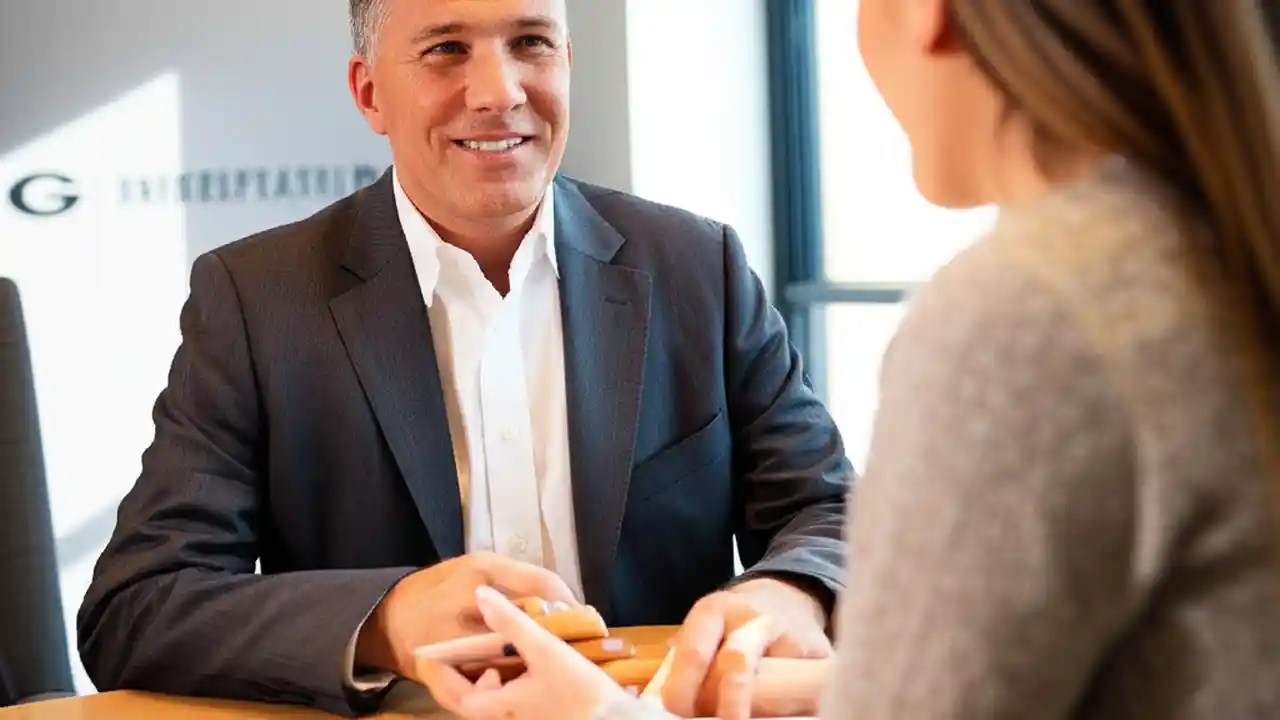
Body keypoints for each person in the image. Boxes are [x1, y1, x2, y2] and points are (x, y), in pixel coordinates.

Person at [417, 0, 1280, 718]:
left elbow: (828, 512)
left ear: (925, 14)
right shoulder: (1208, 249)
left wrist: (600, 714)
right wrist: (816, 688)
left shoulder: (1027, 312)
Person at [75, 0, 853, 716]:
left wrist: (793, 590)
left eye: (531, 44)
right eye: (447, 49)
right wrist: (384, 620)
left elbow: (830, 509)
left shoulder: (695, 265)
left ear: (567, 62)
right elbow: (138, 606)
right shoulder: (256, 299)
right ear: (370, 93)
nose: (500, 91)